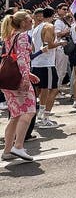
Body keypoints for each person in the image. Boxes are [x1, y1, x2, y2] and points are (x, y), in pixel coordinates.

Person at [1, 10, 40, 162]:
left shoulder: (10, 35)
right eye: (30, 20)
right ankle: (18, 146)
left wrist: (27, 74)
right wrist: (25, 78)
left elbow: (15, 57)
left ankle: (7, 151)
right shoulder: (23, 36)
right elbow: (22, 58)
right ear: (23, 22)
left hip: (8, 79)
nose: (32, 22)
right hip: (18, 80)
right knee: (29, 111)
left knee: (15, 115)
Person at [31, 6, 63, 128]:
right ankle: (44, 118)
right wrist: (60, 43)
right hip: (46, 63)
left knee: (42, 90)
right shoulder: (49, 26)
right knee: (53, 89)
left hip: (37, 63)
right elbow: (47, 45)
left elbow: (34, 47)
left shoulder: (36, 28)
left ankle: (41, 116)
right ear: (53, 15)